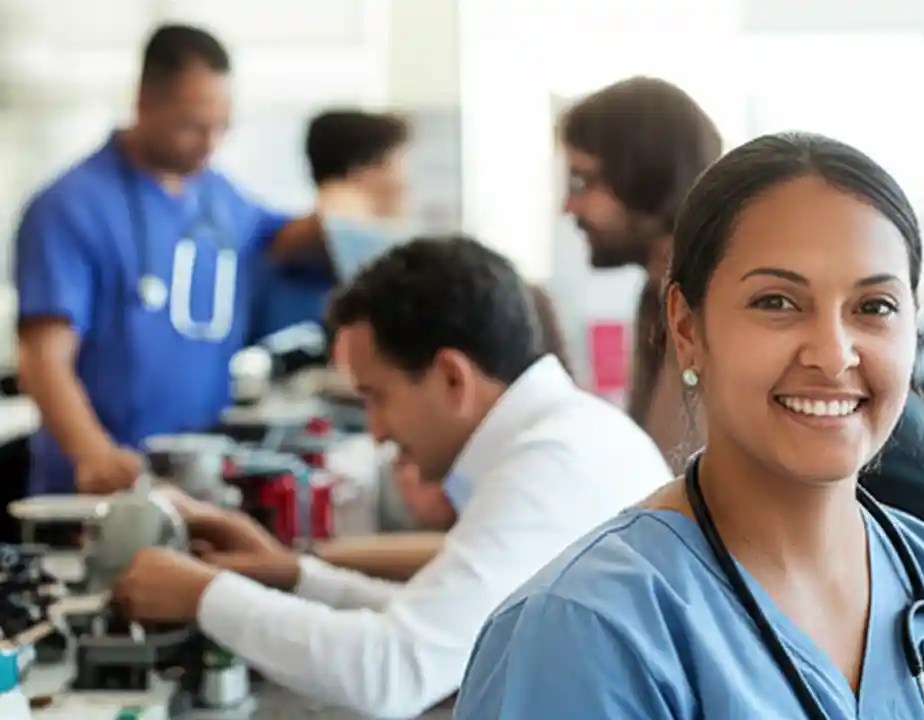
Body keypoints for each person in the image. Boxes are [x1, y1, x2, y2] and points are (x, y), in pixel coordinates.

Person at [456, 132, 924, 719]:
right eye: (777, 302)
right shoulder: (584, 630)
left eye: (874, 307)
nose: (833, 353)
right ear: (687, 330)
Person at [111, 236, 670, 717]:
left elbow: (393, 672)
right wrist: (295, 577)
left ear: (452, 377)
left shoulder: (553, 464)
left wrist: (204, 593)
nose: (376, 434)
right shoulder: (564, 437)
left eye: (377, 398)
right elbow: (436, 619)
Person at [559, 76, 924, 597]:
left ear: (643, 176)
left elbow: (659, 477)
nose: (570, 206)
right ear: (684, 322)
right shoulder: (673, 295)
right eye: (776, 303)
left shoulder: (709, 296)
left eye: (585, 182)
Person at [14, 24, 325, 498]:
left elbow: (286, 239)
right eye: (191, 125)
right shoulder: (71, 207)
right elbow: (43, 358)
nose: (209, 143)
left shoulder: (218, 197)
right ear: (144, 103)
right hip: (100, 490)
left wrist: (354, 210)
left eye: (221, 126)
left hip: (199, 478)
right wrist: (92, 453)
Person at [249, 110, 412, 340]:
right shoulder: (293, 238)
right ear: (362, 171)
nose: (405, 183)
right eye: (398, 166)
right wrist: (343, 199)